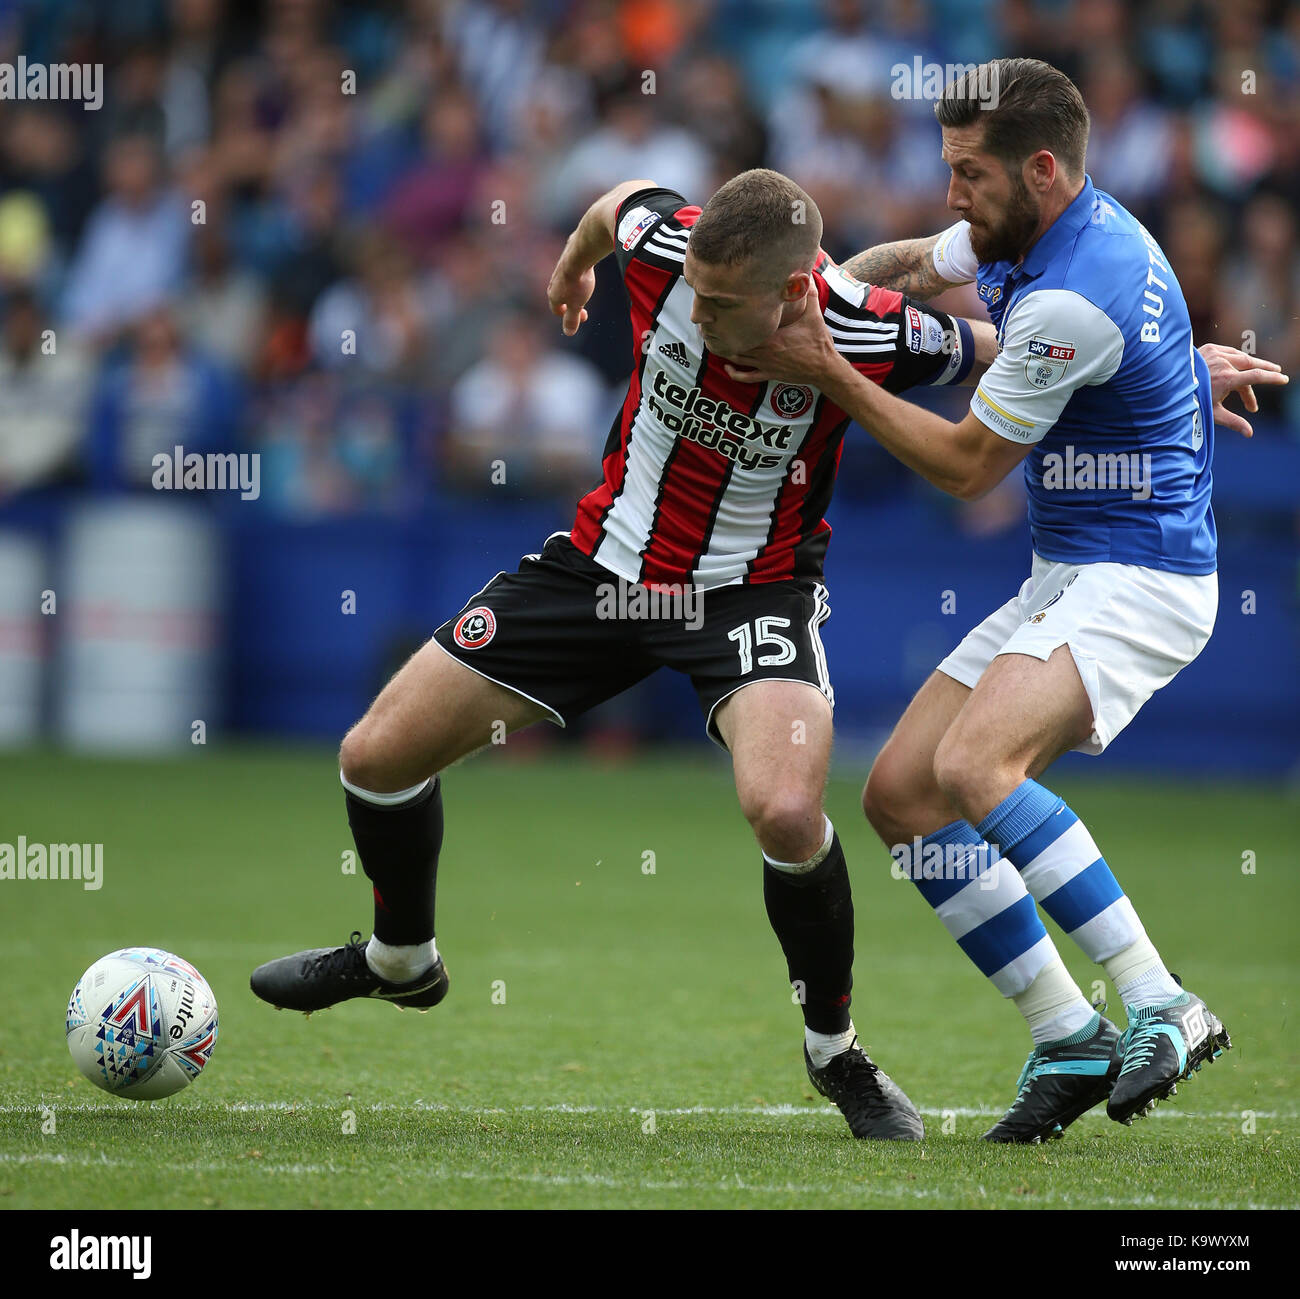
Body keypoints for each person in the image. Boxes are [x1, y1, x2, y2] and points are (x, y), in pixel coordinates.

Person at [250, 167, 997, 1141]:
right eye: (691, 281)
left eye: (721, 301)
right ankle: (401, 959)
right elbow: (615, 204)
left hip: (748, 592)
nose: (695, 304)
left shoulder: (865, 330)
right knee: (373, 757)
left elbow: (1017, 352)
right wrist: (571, 275)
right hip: (601, 570)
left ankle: (834, 1052)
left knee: (783, 805)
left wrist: (1176, 367)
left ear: (786, 295)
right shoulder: (666, 250)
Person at [721, 59, 1289, 1144]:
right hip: (1070, 572)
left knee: (976, 765)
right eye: (947, 169)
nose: (950, 196)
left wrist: (828, 368)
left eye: (968, 174)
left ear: (1040, 168)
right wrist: (824, 292)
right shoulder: (1016, 226)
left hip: (1143, 579)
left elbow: (969, 466)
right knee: (899, 795)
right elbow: (906, 268)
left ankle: (1164, 1004)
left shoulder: (1075, 291)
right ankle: (1067, 1033)